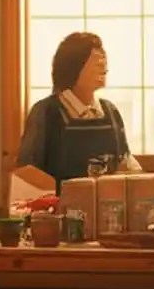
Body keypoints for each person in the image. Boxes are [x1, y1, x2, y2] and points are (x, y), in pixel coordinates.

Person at [16, 31, 141, 189]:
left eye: (103, 58)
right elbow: (27, 170)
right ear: (73, 66)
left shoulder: (110, 111)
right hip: (58, 209)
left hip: (106, 206)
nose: (103, 64)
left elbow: (125, 162)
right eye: (95, 58)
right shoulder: (46, 112)